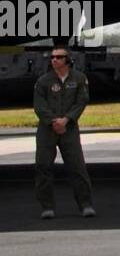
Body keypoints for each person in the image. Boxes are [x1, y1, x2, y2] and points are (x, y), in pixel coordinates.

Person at [34, 47, 95, 219]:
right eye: (52, 57)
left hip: (69, 128)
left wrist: (66, 120)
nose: (54, 60)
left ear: (67, 60)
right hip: (47, 129)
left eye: (59, 57)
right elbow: (39, 105)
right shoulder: (43, 81)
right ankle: (47, 207)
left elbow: (81, 101)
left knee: (77, 167)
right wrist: (54, 121)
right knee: (43, 166)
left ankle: (86, 205)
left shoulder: (79, 79)